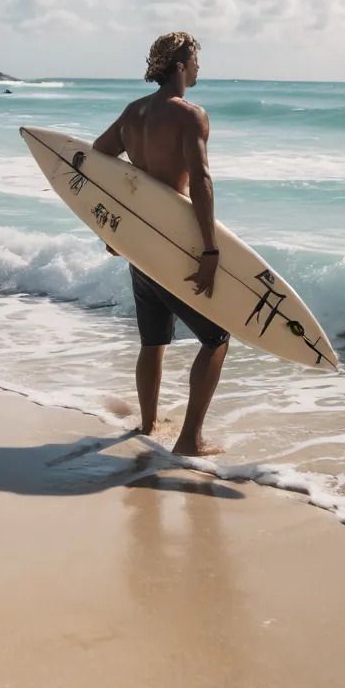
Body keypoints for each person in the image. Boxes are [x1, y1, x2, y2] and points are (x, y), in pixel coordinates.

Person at [92, 32, 230, 456]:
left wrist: (109, 231)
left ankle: (148, 425)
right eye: (194, 59)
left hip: (140, 245)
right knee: (217, 337)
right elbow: (201, 181)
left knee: (153, 341)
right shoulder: (190, 116)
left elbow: (98, 159)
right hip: (174, 248)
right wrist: (209, 251)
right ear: (179, 66)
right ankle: (190, 440)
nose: (198, 67)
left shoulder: (133, 113)